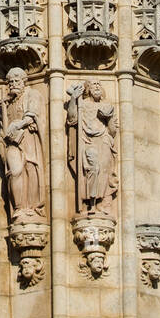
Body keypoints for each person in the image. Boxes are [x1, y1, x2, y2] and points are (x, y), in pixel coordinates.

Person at [0, 67, 46, 223]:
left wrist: (19, 124)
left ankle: (32, 208)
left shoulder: (32, 94)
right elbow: (4, 129)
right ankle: (19, 207)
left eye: (16, 81)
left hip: (29, 140)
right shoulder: (9, 102)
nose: (13, 85)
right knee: (15, 171)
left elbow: (33, 115)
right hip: (13, 142)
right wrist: (4, 108)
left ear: (24, 82)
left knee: (31, 169)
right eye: (10, 82)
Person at [66, 81, 118, 217]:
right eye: (94, 85)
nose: (96, 87)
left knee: (105, 172)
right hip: (88, 142)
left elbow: (112, 131)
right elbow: (72, 119)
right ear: (88, 89)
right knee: (92, 170)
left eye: (99, 84)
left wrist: (111, 118)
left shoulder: (106, 106)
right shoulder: (82, 105)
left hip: (104, 141)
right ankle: (92, 202)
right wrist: (73, 99)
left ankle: (103, 202)